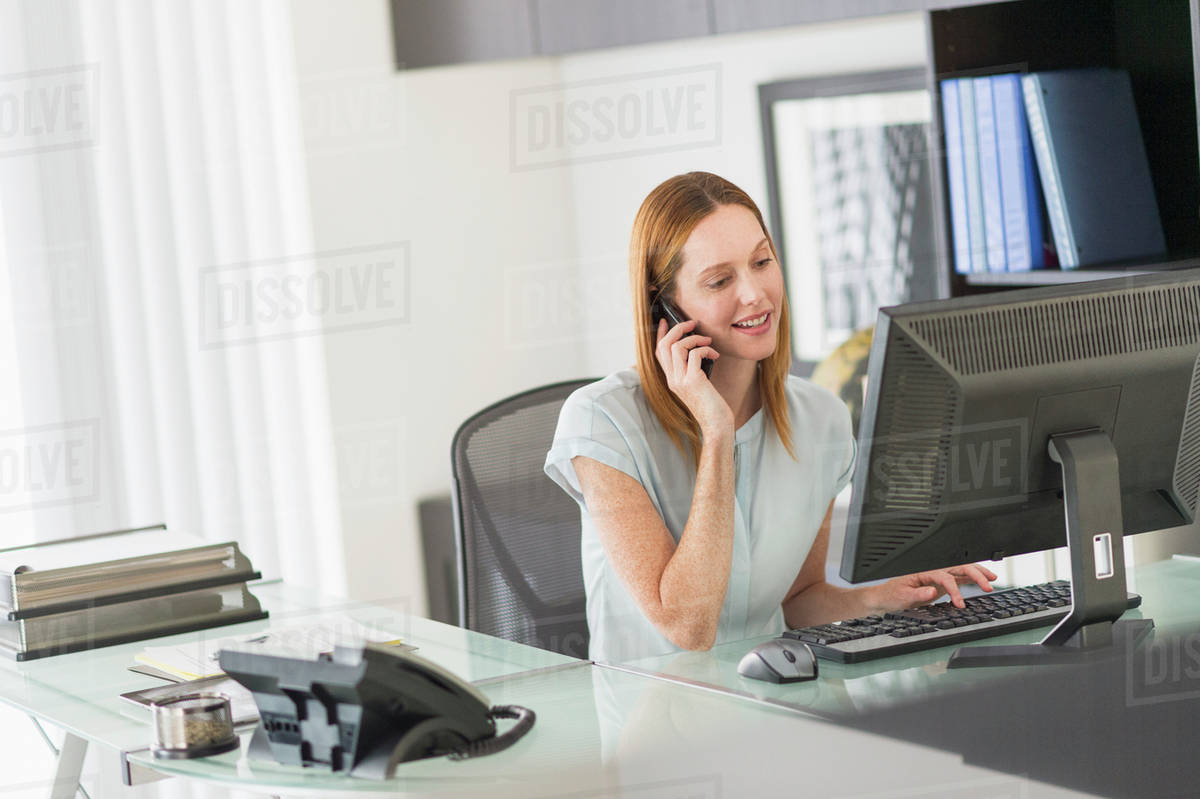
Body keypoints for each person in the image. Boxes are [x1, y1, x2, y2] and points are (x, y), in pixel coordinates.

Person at [544, 172, 995, 662]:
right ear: (664, 304)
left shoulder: (820, 417)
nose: (756, 294)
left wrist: (880, 597)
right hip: (653, 721)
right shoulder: (601, 423)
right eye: (720, 280)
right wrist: (717, 432)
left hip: (775, 700)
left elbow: (797, 601)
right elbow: (689, 626)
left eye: (762, 262)